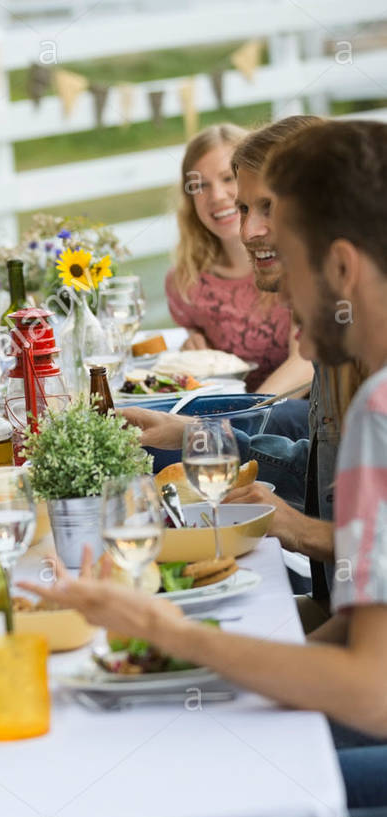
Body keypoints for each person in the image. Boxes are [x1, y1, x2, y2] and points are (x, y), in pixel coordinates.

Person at [25, 120, 387, 817]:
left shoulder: (377, 412)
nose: (270, 283)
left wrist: (177, 640)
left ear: (344, 267)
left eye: (282, 259)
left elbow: (370, 688)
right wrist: (186, 675)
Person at [124, 115, 363, 625]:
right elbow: (318, 476)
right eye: (245, 208)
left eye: (268, 208)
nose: (247, 227)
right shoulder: (336, 339)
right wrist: (194, 433)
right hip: (334, 610)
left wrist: (302, 532)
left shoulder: (370, 362)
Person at [165, 123, 310, 397]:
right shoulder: (187, 281)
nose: (217, 196)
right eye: (201, 185)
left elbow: (305, 363)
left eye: (228, 178)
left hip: (290, 414)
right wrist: (193, 352)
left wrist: (241, 418)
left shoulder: (294, 263)